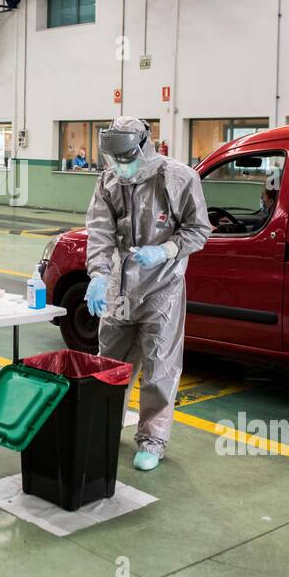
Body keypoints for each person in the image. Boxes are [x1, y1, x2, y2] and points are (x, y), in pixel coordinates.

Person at [84, 117, 211, 471]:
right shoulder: (109, 181)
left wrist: (167, 250)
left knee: (159, 365)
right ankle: (104, 425)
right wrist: (97, 274)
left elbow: (199, 229)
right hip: (121, 285)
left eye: (125, 159)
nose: (119, 167)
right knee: (109, 362)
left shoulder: (179, 178)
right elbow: (99, 231)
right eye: (113, 160)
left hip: (162, 288)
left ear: (144, 147)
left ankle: (152, 440)